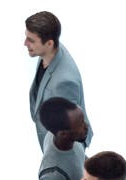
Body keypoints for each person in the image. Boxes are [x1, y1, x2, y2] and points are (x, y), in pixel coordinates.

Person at [25, 11, 93, 150]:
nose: (25, 43)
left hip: (62, 152)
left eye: (31, 40)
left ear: (49, 43)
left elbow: (70, 134)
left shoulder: (65, 83)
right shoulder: (49, 52)